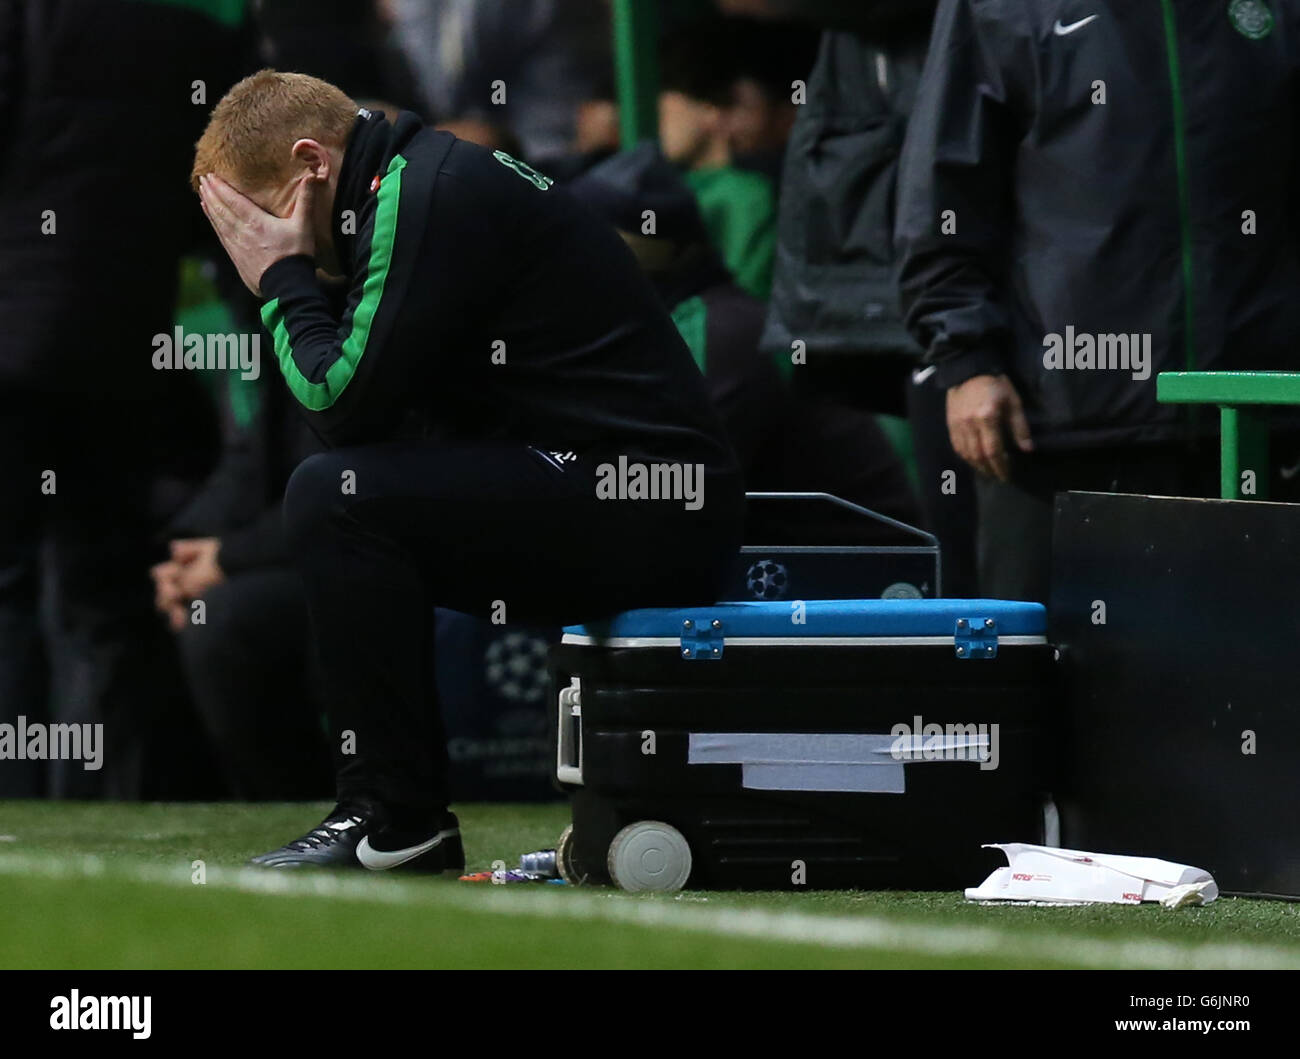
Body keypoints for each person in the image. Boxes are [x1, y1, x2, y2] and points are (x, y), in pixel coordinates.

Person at [192, 71, 743, 871]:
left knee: (336, 495)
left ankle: (393, 817)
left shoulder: (425, 192)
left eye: (261, 214)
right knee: (347, 497)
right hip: (608, 487)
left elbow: (337, 401)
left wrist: (279, 283)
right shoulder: (416, 182)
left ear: (313, 162)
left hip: (648, 501)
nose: (266, 241)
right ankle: (394, 811)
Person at [896, 0, 1300, 601]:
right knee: (1048, 674)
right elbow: (946, 186)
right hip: (1056, 423)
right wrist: (967, 358)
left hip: (1252, 421)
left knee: (1246, 678)